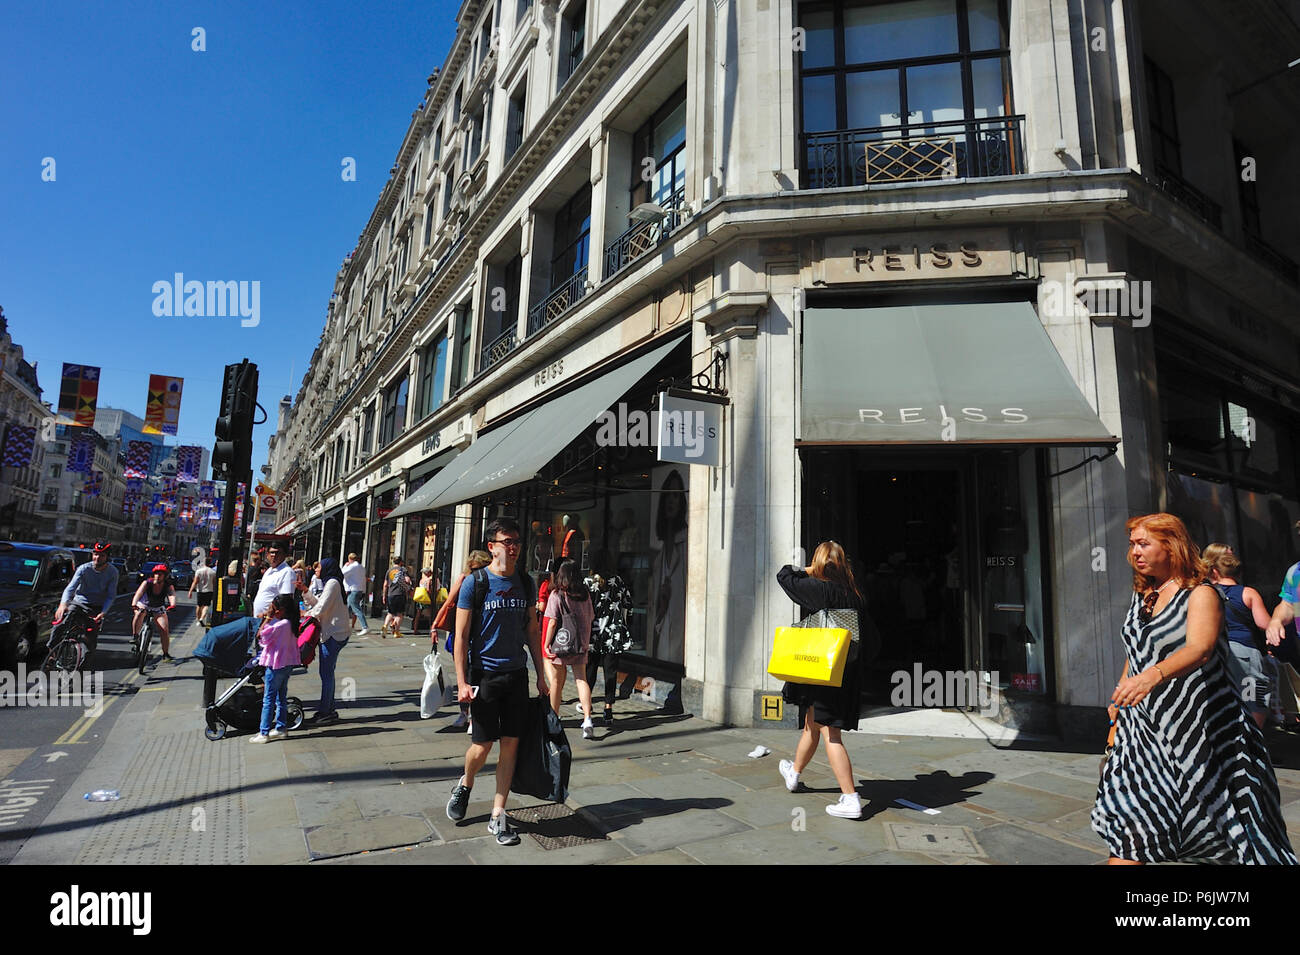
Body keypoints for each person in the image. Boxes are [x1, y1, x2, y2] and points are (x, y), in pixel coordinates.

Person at [1092, 513, 1296, 864]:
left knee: (1228, 838)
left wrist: (1151, 676)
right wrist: (1123, 686)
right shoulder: (1144, 595)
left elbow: (1198, 649)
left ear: (1171, 546)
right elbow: (1137, 648)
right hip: (1144, 737)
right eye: (1132, 545)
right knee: (1131, 830)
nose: (1135, 552)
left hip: (1205, 736)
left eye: (1144, 543)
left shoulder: (1201, 594)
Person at [445, 518, 547, 847]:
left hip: (516, 673)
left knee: (511, 744)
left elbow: (532, 630)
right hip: (484, 675)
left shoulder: (526, 583)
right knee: (483, 745)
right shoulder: (477, 582)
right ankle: (466, 782)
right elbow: (460, 636)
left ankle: (497, 814)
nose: (513, 546)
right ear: (492, 546)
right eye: (506, 541)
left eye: (517, 541)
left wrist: (541, 673)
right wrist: (461, 681)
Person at [775, 542, 871, 819]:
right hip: (845, 673)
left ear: (820, 564)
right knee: (811, 725)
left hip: (823, 671)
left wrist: (808, 569)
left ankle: (851, 798)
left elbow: (784, 575)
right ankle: (794, 773)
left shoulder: (821, 590)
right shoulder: (854, 594)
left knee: (831, 734)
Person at [1203, 543, 1274, 729]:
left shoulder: (1203, 593)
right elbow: (1264, 624)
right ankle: (1253, 739)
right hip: (1245, 653)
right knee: (1253, 697)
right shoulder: (1248, 593)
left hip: (1215, 653)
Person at [432, 550, 491, 729]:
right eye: (473, 569)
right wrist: (435, 624)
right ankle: (465, 713)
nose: (476, 572)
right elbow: (449, 602)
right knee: (463, 674)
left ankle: (474, 716)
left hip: (482, 634)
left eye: (479, 568)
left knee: (477, 675)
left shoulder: (491, 580)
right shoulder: (465, 579)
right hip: (462, 633)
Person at [542, 559, 595, 738]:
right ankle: (587, 719)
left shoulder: (557, 595)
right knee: (581, 680)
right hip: (580, 643)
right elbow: (591, 616)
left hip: (562, 643)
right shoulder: (585, 594)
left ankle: (553, 719)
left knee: (556, 682)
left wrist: (546, 643)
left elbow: (552, 622)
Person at [302, 557, 350, 726]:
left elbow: (320, 609)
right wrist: (305, 590)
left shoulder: (332, 583)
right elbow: (320, 603)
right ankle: (329, 709)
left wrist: (304, 615)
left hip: (333, 633)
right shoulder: (331, 583)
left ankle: (325, 712)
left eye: (319, 567)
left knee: (326, 674)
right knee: (328, 673)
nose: (316, 569)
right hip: (334, 631)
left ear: (327, 568)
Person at [584, 573, 633, 727]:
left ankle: (587, 706)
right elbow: (628, 603)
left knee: (589, 670)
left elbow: (581, 606)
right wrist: (625, 623)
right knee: (610, 672)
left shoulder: (588, 581)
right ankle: (608, 708)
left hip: (593, 633)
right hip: (613, 633)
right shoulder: (618, 580)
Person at [250, 594, 300, 744]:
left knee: (268, 699)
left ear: (281, 610)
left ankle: (263, 732)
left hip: (276, 664)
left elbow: (261, 636)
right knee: (281, 697)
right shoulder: (292, 623)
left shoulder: (280, 625)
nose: (272, 610)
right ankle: (281, 728)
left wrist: (268, 618)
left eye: (274, 608)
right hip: (287, 664)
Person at [56, 540, 119, 652]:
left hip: (96, 607)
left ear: (107, 557)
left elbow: (110, 596)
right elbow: (70, 588)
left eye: (102, 555)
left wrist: (103, 612)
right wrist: (63, 604)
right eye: (95, 554)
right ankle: (52, 653)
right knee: (61, 622)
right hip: (78, 603)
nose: (97, 558)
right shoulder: (83, 569)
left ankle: (82, 663)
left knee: (89, 644)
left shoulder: (113, 572)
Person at [254, 546, 304, 635]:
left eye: (278, 553)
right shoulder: (269, 571)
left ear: (284, 555)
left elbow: (285, 602)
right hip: (260, 621)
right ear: (267, 555)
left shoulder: (287, 572)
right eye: (272, 552)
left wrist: (267, 615)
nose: (274, 555)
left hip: (272, 624)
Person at [132, 564, 177, 661]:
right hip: (144, 604)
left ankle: (165, 653)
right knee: (139, 614)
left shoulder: (168, 585)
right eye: (156, 573)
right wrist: (134, 604)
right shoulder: (147, 582)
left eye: (160, 574)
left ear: (165, 576)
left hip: (158, 607)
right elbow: (138, 593)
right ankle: (135, 636)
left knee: (164, 630)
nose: (157, 576)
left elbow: (171, 594)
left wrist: (172, 604)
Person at [342, 552, 370, 635]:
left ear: (349, 559)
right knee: (348, 608)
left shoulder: (352, 566)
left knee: (356, 609)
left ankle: (365, 627)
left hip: (353, 590)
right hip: (359, 589)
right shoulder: (361, 567)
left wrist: (345, 566)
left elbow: (342, 573)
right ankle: (345, 627)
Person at [383, 556, 411, 637]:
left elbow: (385, 584)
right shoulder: (402, 570)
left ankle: (385, 626)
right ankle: (396, 632)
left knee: (390, 613)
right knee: (399, 614)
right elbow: (407, 580)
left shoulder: (389, 571)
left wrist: (384, 595)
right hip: (400, 594)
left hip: (390, 594)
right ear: (401, 562)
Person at [189, 557, 217, 628]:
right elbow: (214, 583)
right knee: (206, 606)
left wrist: (191, 591)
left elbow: (195, 582)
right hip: (209, 590)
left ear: (203, 562)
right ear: (210, 563)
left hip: (200, 590)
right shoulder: (213, 572)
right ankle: (202, 618)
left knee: (199, 605)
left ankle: (198, 620)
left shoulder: (198, 571)